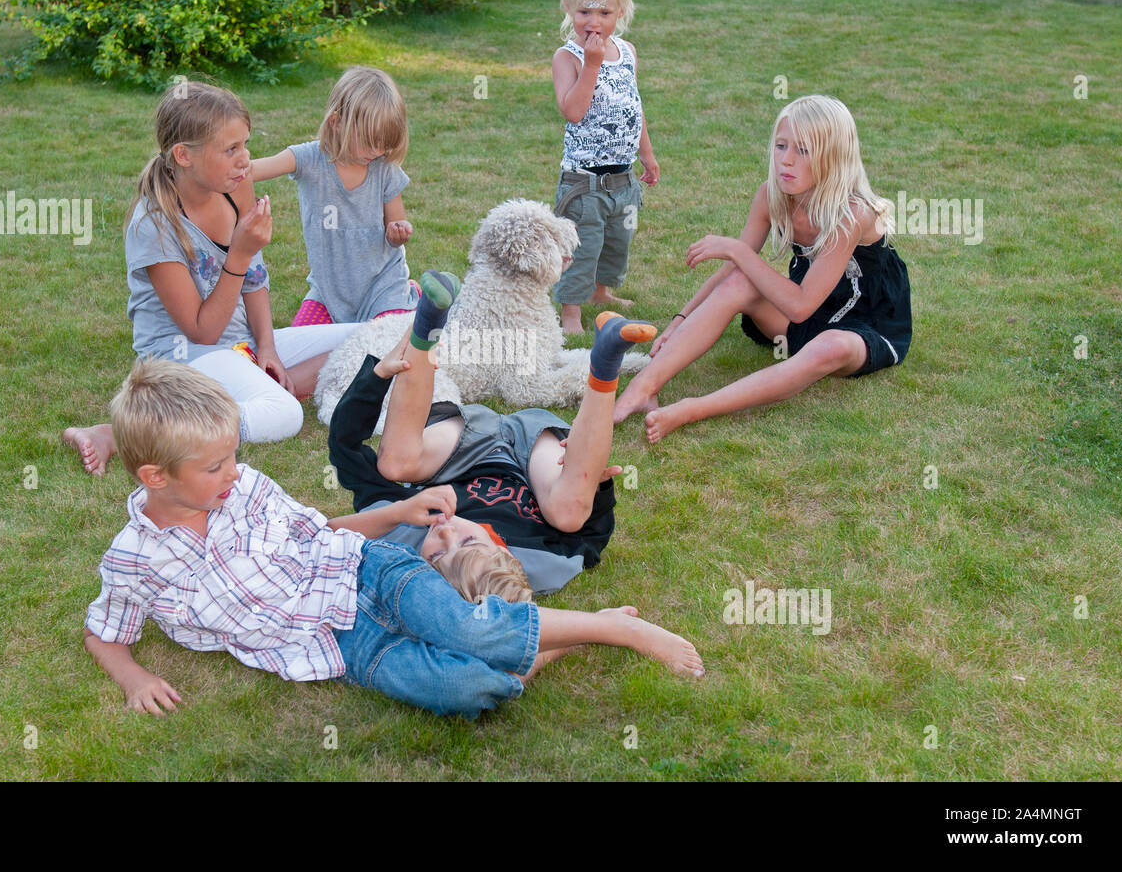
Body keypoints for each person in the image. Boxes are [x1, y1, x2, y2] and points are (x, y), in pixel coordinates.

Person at [82, 358, 704, 721]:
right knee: (465, 691)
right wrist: (134, 678)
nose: (234, 472)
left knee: (467, 628)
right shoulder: (135, 561)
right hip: (340, 648)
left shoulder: (246, 488)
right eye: (215, 466)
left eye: (233, 457)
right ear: (155, 477)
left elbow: (324, 532)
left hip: (364, 572)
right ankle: (552, 645)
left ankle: (618, 629)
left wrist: (399, 510)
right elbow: (103, 632)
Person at [63, 81, 356, 474]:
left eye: (246, 144)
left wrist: (267, 347)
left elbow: (255, 280)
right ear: (184, 155)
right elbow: (202, 331)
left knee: (375, 336)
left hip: (240, 344)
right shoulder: (155, 224)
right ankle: (128, 432)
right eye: (231, 149)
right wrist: (239, 252)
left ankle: (258, 377)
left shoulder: (237, 185)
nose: (245, 160)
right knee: (284, 415)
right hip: (182, 358)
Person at [328, 270, 657, 595]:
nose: (446, 532)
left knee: (393, 466)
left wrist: (376, 377)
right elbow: (591, 537)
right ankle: (607, 359)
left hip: (462, 444)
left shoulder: (407, 530)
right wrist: (595, 490)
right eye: (467, 540)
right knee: (569, 514)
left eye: (437, 554)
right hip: (533, 453)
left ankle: (427, 323)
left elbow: (347, 455)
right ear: (503, 550)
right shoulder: (540, 565)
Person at [613, 95, 912, 443]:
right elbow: (732, 275)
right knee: (740, 280)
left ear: (833, 157)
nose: (786, 160)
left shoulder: (853, 213)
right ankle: (644, 386)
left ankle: (693, 408)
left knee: (831, 347)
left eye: (803, 150)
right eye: (781, 145)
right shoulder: (772, 195)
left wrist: (737, 250)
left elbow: (799, 303)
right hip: (805, 317)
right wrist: (680, 321)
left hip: (865, 326)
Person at [249, 66, 419, 327]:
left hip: (383, 288)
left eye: (384, 143)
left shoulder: (385, 168)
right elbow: (254, 170)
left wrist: (398, 231)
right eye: (370, 141)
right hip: (328, 292)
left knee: (384, 349)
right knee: (300, 352)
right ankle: (413, 295)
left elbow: (396, 223)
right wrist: (217, 167)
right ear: (336, 123)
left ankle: (412, 296)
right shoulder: (308, 158)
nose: (377, 151)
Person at [550, 0, 660, 336]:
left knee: (616, 242)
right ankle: (570, 314)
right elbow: (573, 111)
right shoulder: (569, 57)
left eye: (604, 14)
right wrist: (592, 65)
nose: (593, 23)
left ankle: (601, 292)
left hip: (622, 178)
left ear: (622, 11)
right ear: (568, 8)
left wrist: (646, 154)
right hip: (584, 183)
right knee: (582, 247)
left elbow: (634, 106)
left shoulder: (628, 52)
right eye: (584, 13)